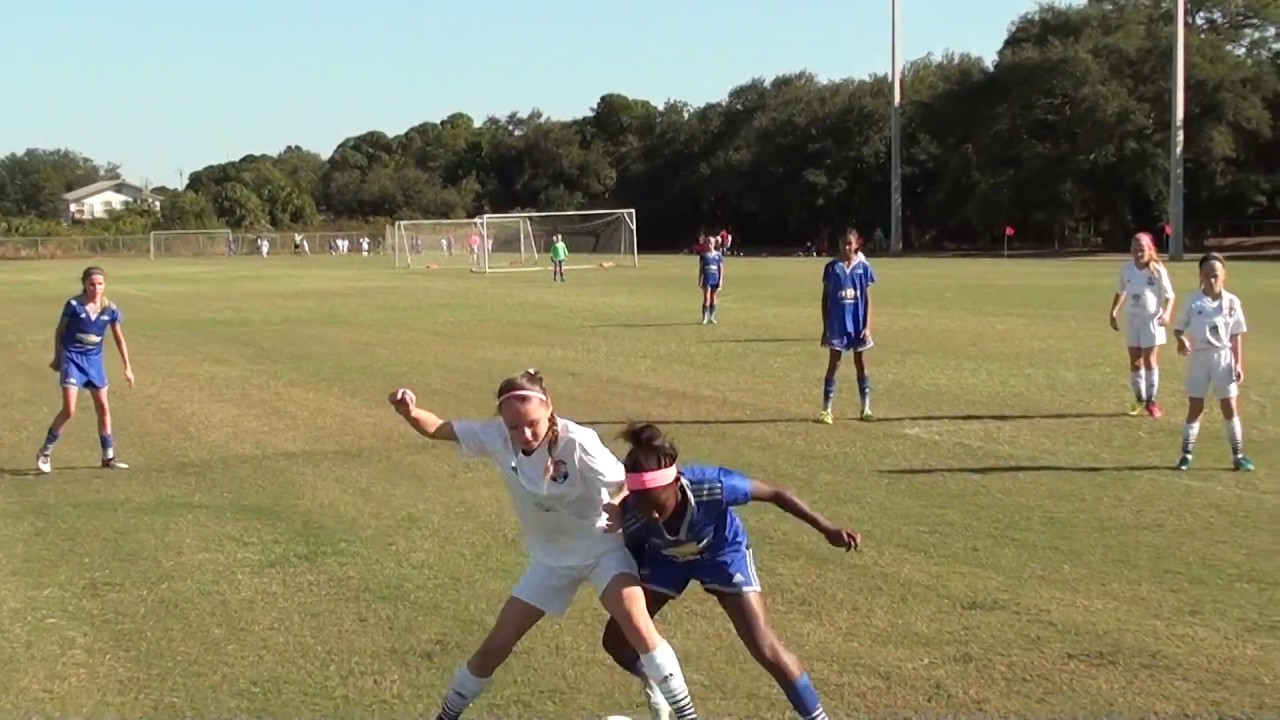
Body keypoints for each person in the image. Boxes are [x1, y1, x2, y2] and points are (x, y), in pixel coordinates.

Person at [387, 370, 701, 720]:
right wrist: (408, 411)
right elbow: (438, 428)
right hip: (549, 561)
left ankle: (688, 716)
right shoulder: (495, 436)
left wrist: (618, 503)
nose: (524, 434)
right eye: (514, 427)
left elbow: (626, 481)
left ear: (550, 407)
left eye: (532, 424)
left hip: (601, 550)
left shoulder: (579, 442)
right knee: (496, 646)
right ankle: (445, 716)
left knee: (639, 626)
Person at [601, 423, 859, 720]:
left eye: (659, 506)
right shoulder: (632, 516)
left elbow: (775, 493)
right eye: (643, 507)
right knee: (616, 640)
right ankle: (659, 685)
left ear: (676, 483)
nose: (653, 515)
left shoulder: (712, 485)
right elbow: (629, 556)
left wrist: (827, 528)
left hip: (722, 554)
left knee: (764, 645)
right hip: (666, 561)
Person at [36, 266, 135, 473]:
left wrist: (127, 367)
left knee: (103, 408)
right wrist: (57, 357)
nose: (96, 288)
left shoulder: (110, 310)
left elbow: (119, 338)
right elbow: (59, 331)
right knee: (69, 409)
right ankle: (45, 451)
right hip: (72, 359)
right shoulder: (73, 306)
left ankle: (108, 457)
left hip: (94, 362)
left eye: (100, 284)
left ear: (105, 285)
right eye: (92, 284)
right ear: (84, 285)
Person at [1172, 254, 1254, 471]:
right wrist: (1181, 340)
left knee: (1229, 406)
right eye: (1206, 275)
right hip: (1199, 359)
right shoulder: (1193, 301)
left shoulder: (1232, 302)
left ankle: (1238, 455)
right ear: (1200, 276)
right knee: (1195, 407)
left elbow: (1236, 335)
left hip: (1223, 359)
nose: (1211, 280)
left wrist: (1237, 364)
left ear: (1223, 276)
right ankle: (1185, 455)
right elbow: (1178, 328)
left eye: (1215, 275)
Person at [1109, 231, 1175, 417]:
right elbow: (1121, 291)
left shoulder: (1157, 270)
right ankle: (1139, 398)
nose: (1139, 252)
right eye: (1136, 248)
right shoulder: (1126, 269)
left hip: (1152, 320)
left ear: (1150, 249)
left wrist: (1167, 313)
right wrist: (1114, 311)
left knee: (1149, 360)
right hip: (1133, 320)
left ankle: (1152, 402)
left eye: (1142, 248)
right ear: (1131, 249)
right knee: (1135, 362)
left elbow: (1170, 295)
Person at [819, 229, 875, 424]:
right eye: (843, 244)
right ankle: (826, 410)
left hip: (858, 324)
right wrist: (826, 327)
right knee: (834, 363)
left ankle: (865, 408)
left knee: (861, 363)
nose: (846, 247)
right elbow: (825, 299)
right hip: (837, 323)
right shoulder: (832, 268)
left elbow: (867, 300)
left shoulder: (863, 268)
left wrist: (867, 327)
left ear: (856, 244)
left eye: (850, 244)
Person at [697, 236, 724, 325]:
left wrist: (720, 280)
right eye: (708, 243)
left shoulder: (718, 255)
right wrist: (699, 279)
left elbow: (721, 268)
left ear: (714, 244)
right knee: (706, 298)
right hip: (707, 278)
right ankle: (704, 317)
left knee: (713, 298)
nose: (709, 245)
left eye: (711, 243)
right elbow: (701, 268)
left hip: (715, 278)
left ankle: (712, 317)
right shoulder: (703, 255)